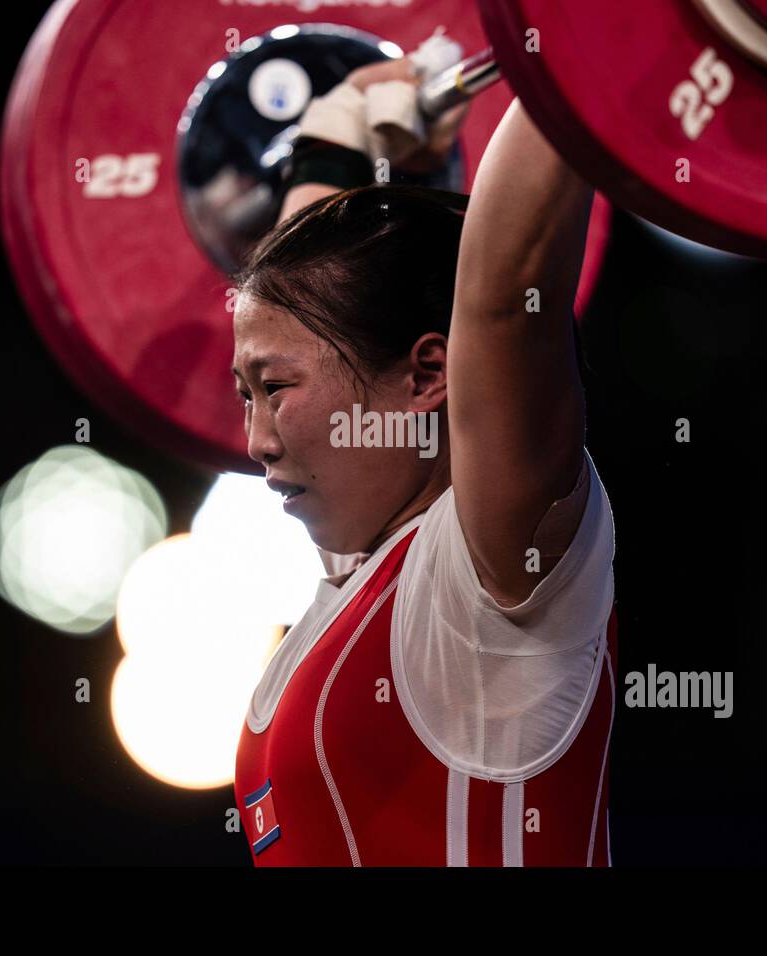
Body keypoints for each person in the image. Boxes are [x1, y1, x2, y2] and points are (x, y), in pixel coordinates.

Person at [229, 48, 617, 866]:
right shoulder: (359, 561)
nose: (256, 441)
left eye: (275, 392)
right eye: (246, 394)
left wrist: (584, 42)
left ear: (427, 376)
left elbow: (505, 296)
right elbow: (305, 300)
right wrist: (336, 147)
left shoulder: (484, 584)